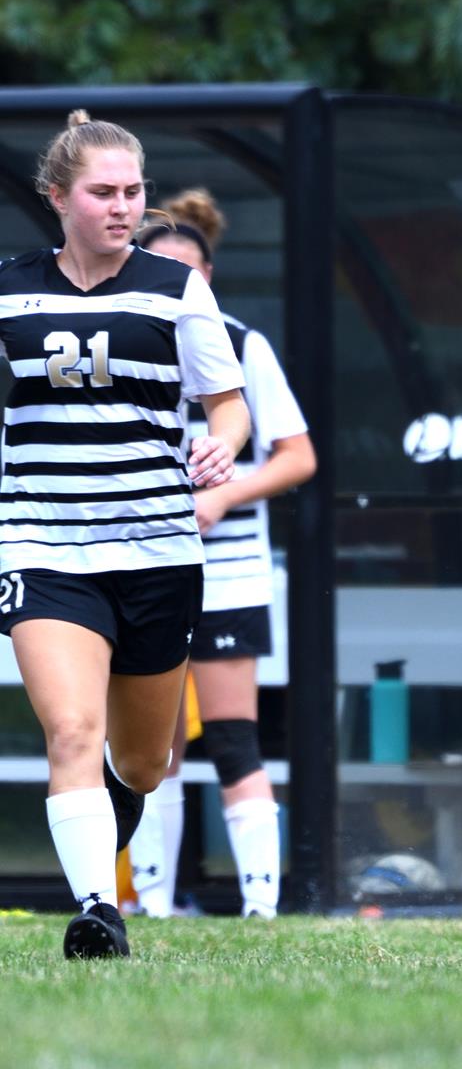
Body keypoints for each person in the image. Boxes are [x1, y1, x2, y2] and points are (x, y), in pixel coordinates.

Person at [0, 113, 247, 958]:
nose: (121, 207)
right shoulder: (9, 289)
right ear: (57, 197)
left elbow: (229, 402)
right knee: (70, 730)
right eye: (103, 193)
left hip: (155, 549)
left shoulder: (176, 288)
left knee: (144, 763)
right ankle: (99, 910)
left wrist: (223, 442)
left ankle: (107, 826)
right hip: (42, 544)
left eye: (132, 192)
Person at [125, 189, 317, 919]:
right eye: (161, 266)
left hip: (228, 571)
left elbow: (296, 457)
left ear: (209, 274)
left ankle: (261, 911)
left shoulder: (241, 344)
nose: (177, 282)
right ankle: (153, 904)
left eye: (190, 269)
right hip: (138, 566)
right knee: (149, 749)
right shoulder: (117, 337)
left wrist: (222, 495)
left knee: (234, 737)